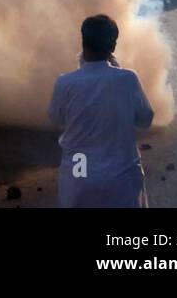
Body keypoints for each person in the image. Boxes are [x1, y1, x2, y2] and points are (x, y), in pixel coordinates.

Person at [47, 14, 155, 208]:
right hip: (121, 179)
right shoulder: (127, 79)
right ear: (113, 47)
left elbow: (55, 118)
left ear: (83, 43)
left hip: (79, 180)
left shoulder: (65, 82)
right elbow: (145, 119)